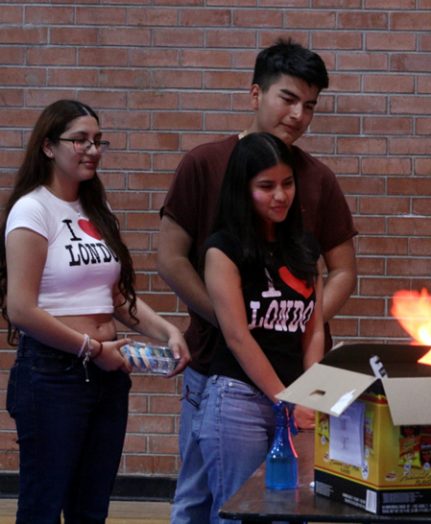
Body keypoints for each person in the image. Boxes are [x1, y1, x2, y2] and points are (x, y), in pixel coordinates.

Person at [158, 39, 357, 522]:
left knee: (294, 497)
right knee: (204, 495)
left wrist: (300, 319)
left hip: (297, 370)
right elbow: (170, 258)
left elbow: (343, 270)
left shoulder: (318, 178)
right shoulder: (205, 163)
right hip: (219, 365)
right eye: (287, 99)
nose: (298, 115)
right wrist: (233, 320)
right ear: (256, 94)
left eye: (309, 106)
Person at [0, 99, 190, 523]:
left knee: (91, 510)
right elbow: (21, 309)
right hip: (53, 376)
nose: (92, 150)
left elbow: (117, 298)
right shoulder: (32, 210)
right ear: (48, 147)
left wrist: (167, 332)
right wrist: (90, 348)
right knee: (42, 508)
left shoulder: (94, 211)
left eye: (98, 141)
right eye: (80, 140)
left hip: (105, 376)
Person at [197, 132, 325, 522]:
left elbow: (314, 329)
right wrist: (286, 401)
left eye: (287, 184)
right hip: (239, 401)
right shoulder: (223, 249)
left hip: (295, 402)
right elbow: (237, 336)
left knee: (297, 512)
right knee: (241, 515)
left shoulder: (304, 247)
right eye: (266, 186)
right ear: (243, 189)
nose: (280, 196)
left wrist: (312, 396)